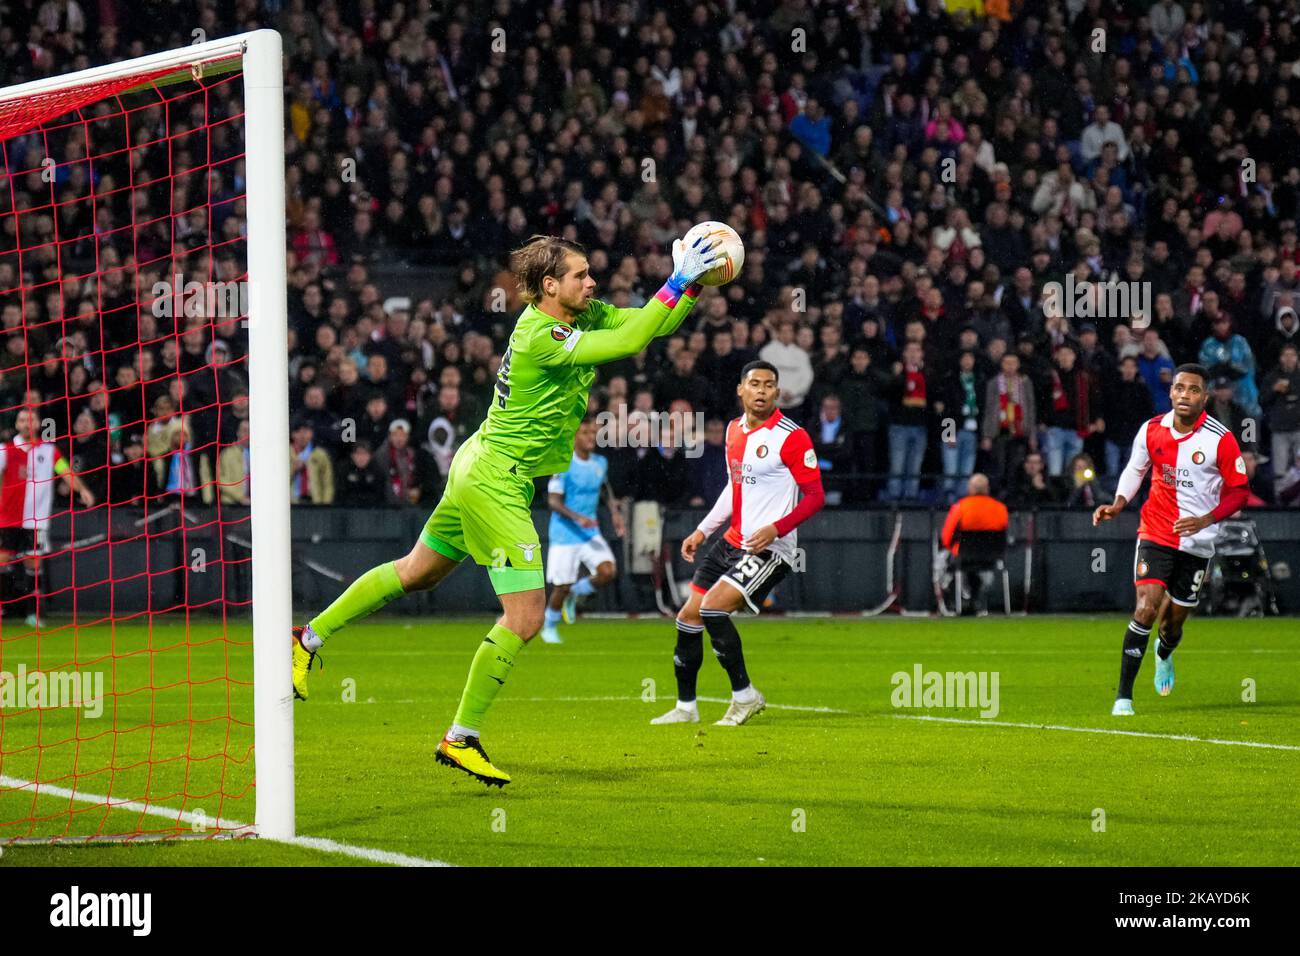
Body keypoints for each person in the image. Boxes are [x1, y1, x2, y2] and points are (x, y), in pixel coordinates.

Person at [290, 231, 723, 786]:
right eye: (580, 275)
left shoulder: (581, 315)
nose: (592, 282)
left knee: (415, 573)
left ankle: (306, 639)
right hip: (497, 479)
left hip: (482, 461)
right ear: (549, 286)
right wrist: (679, 278)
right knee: (525, 617)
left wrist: (687, 290)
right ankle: (460, 737)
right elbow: (630, 344)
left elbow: (646, 325)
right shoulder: (541, 333)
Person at [651, 361, 825, 727]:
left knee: (714, 610)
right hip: (731, 541)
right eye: (754, 384)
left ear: (777, 393)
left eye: (769, 385)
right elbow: (735, 488)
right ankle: (686, 707)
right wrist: (702, 530)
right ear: (740, 390)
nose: (761, 390)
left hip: (770, 549)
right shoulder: (733, 431)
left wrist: (777, 529)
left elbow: (814, 496)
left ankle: (745, 697)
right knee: (688, 618)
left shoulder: (792, 437)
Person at [1093, 364, 1251, 716]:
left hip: (1198, 540)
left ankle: (1164, 653)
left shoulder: (1220, 439)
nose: (1185, 395)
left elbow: (1239, 493)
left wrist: (1205, 519)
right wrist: (1118, 505)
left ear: (1204, 397)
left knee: (1173, 623)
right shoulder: (1151, 430)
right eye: (1180, 388)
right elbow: (1136, 469)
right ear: (1171, 392)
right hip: (1156, 530)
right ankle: (1123, 697)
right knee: (1146, 607)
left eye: (1193, 390)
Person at [0, 408, 96, 628]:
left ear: (38, 424)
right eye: (22, 420)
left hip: (36, 520)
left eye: (30, 420)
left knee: (34, 565)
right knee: (2, 562)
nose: (26, 424)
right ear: (17, 424)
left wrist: (82, 490)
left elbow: (66, 472)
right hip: (8, 518)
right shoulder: (5, 450)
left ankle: (33, 613)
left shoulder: (50, 451)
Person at [540, 416, 626, 644]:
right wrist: (578, 517)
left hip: (590, 533)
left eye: (593, 432)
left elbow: (605, 489)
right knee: (561, 586)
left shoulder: (600, 462)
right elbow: (553, 501)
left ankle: (577, 592)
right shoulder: (563, 464)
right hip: (565, 533)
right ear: (575, 436)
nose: (591, 437)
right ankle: (549, 626)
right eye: (586, 432)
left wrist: (615, 513)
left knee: (608, 571)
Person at [936, 473, 1009, 615]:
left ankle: (952, 601)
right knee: (972, 568)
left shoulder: (961, 508)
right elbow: (1004, 535)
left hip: (964, 556)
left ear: (970, 488)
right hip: (992, 557)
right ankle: (974, 599)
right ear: (987, 489)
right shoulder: (1000, 509)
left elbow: (946, 538)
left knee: (943, 561)